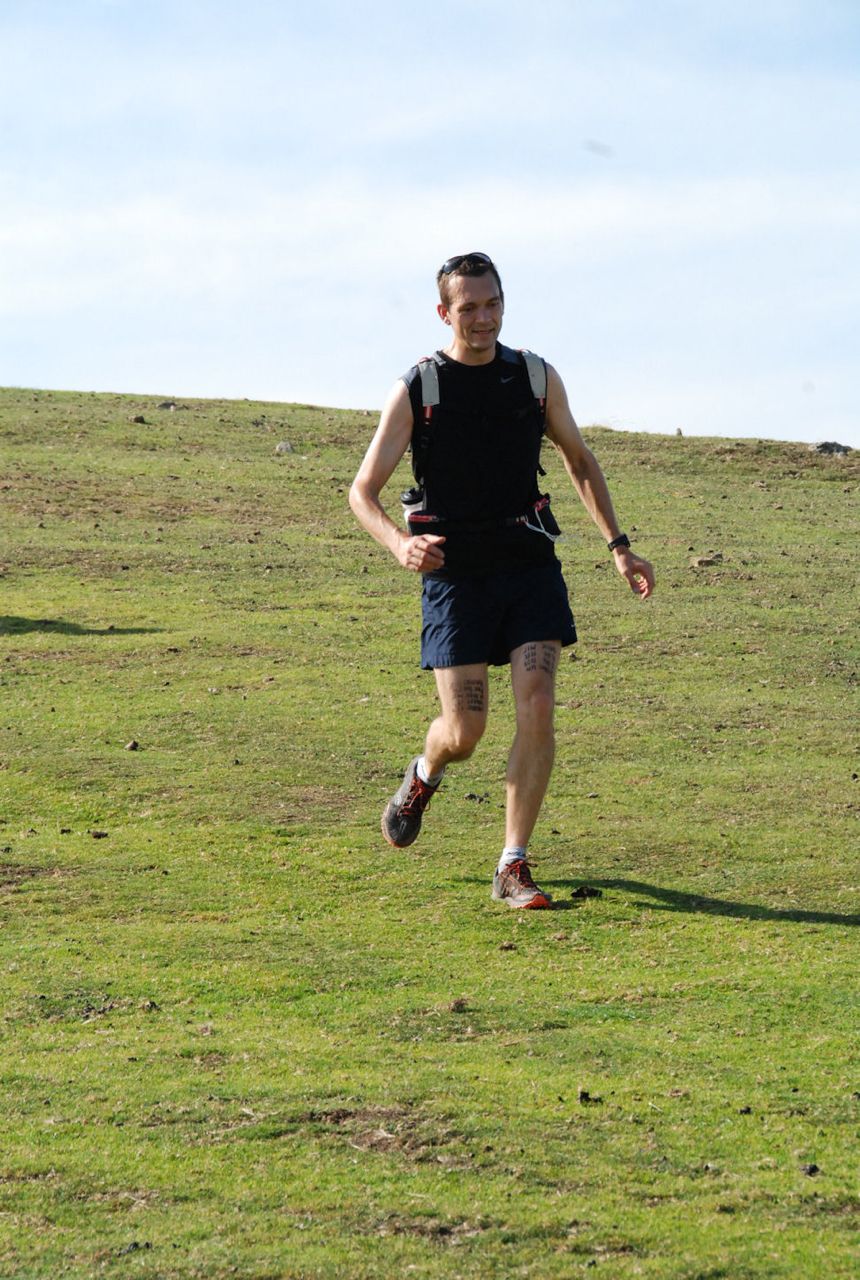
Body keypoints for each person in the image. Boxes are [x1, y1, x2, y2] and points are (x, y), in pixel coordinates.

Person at [349, 252, 654, 909]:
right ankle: (424, 774)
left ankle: (512, 864)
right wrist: (400, 544)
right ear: (444, 313)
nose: (483, 319)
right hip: (455, 575)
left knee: (538, 701)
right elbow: (362, 492)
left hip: (527, 563)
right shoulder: (420, 388)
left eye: (493, 305)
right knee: (466, 730)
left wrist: (619, 547)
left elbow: (578, 459)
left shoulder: (535, 378)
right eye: (468, 308)